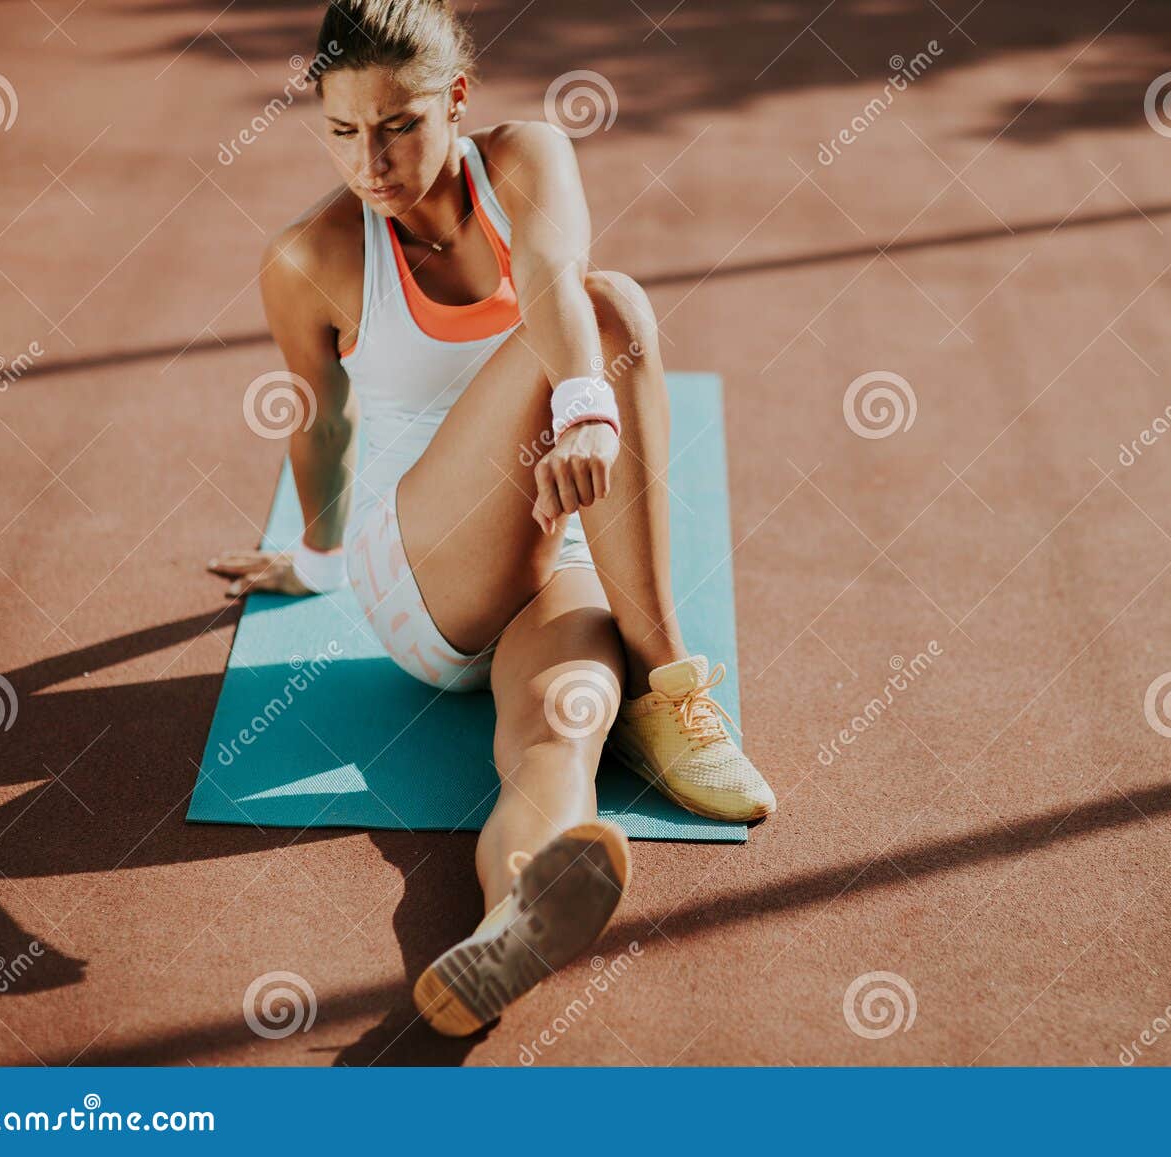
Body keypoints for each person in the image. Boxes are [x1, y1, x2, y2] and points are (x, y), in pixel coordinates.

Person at [205, 0, 776, 1037]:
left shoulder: (528, 158)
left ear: (459, 100)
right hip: (421, 569)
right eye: (341, 132)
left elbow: (549, 274)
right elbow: (321, 424)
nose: (369, 161)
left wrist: (583, 414)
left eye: (398, 125)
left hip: (555, 551)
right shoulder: (311, 258)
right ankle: (671, 680)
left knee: (559, 733)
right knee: (616, 313)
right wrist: (317, 554)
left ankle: (502, 924)